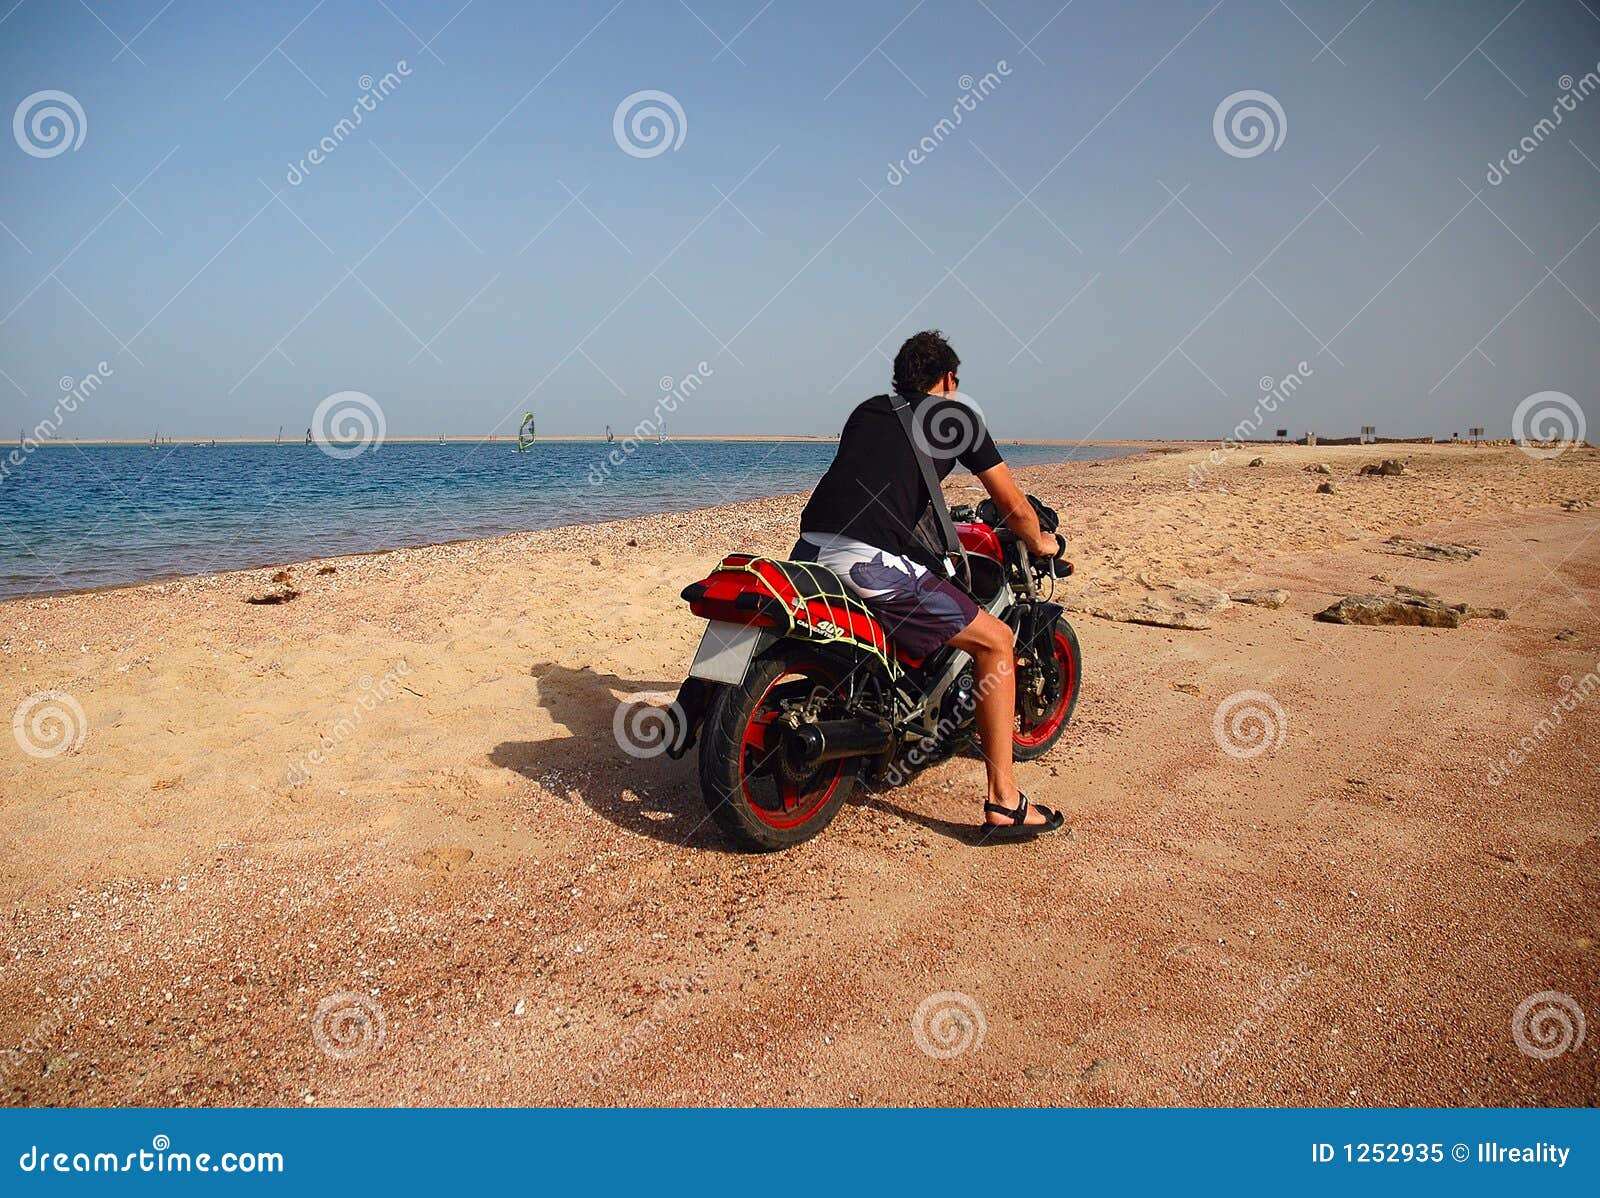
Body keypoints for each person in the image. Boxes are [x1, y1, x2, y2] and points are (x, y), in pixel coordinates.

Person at [792, 330, 1066, 837]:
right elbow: (1013, 505)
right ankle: (1005, 802)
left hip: (809, 548)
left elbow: (878, 482)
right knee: (997, 640)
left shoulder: (868, 411)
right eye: (955, 383)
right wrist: (1042, 541)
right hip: (864, 560)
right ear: (947, 379)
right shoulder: (955, 416)